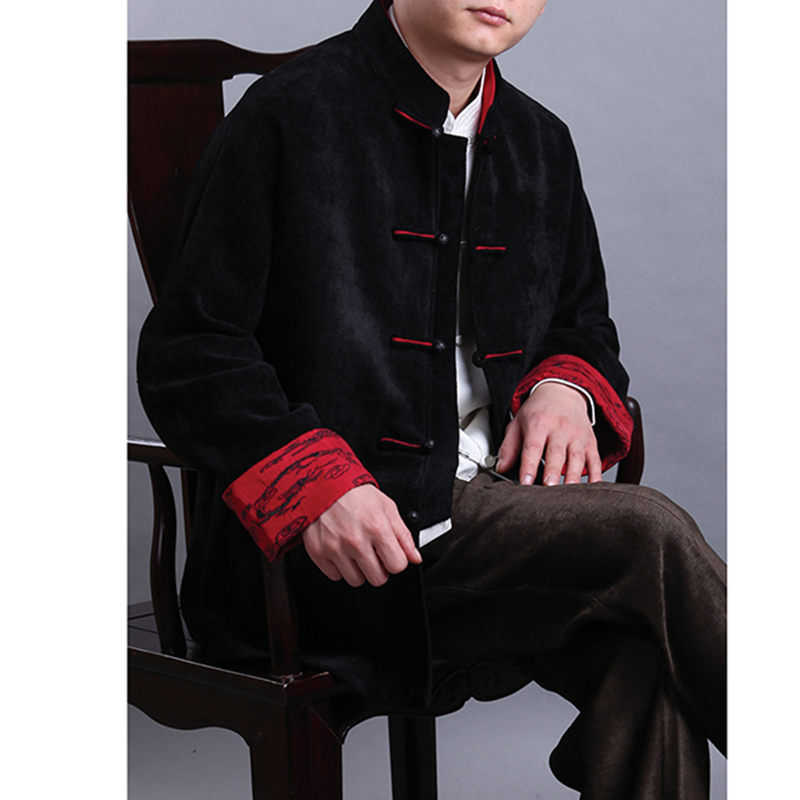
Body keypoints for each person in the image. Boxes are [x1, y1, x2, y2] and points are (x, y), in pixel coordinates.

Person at [137, 1, 726, 797]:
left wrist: (563, 387)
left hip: (497, 517)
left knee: (643, 645)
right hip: (335, 552)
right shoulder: (290, 115)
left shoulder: (539, 141)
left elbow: (582, 322)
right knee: (648, 533)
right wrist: (315, 485)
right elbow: (190, 350)